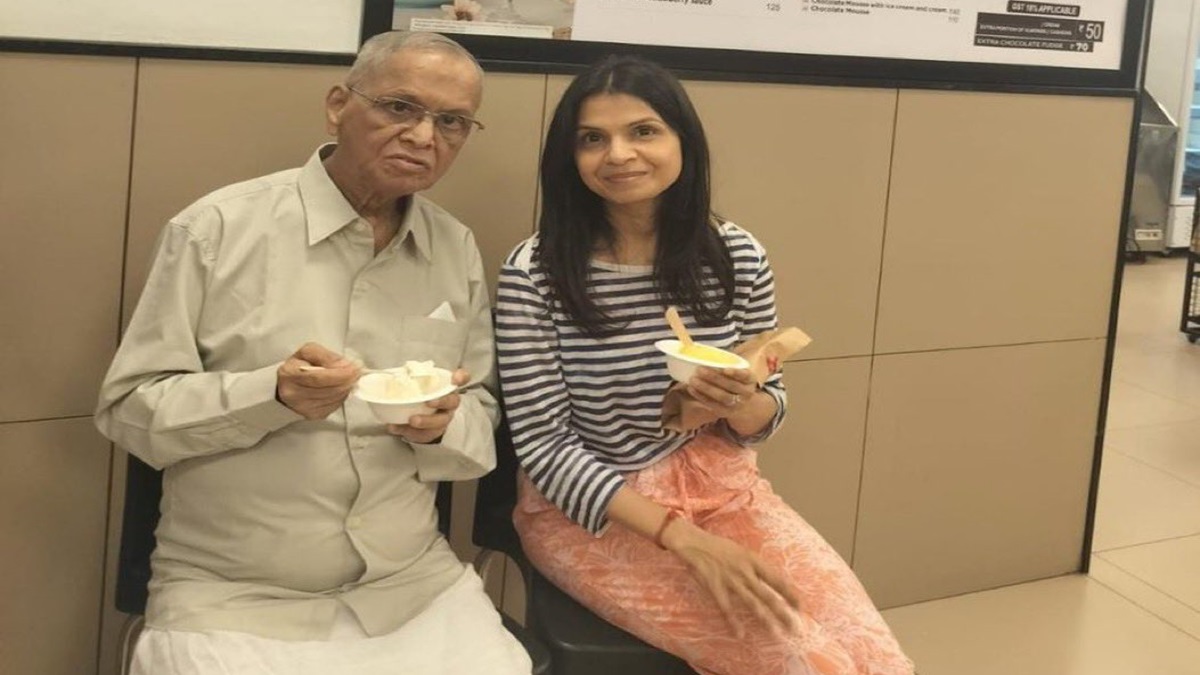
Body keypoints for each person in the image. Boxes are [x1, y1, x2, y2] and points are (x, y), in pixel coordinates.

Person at [95, 31, 531, 675]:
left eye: (452, 122)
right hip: (233, 593)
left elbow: (479, 416)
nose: (423, 136)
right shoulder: (216, 230)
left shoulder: (454, 248)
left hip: (411, 586)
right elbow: (128, 410)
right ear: (337, 105)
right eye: (401, 108)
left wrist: (444, 424)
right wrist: (269, 395)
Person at [494, 55, 915, 675]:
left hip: (722, 489)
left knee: (874, 654)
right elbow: (543, 445)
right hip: (593, 511)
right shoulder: (534, 274)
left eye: (643, 131)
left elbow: (768, 406)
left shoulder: (736, 255)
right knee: (803, 657)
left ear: (681, 141)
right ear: (568, 158)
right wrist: (686, 541)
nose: (619, 154)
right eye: (592, 138)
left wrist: (740, 398)